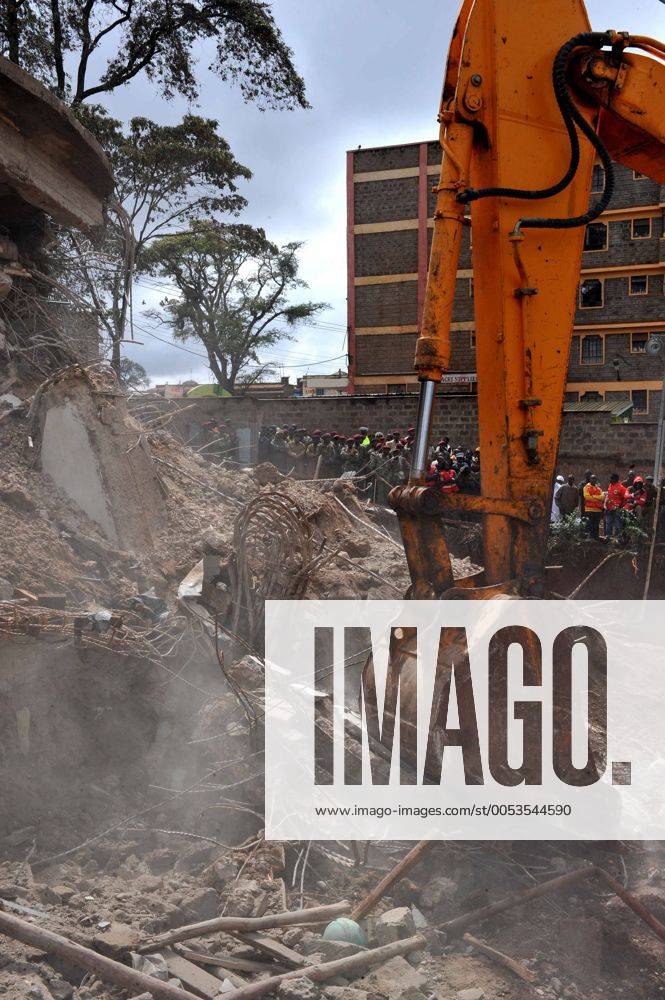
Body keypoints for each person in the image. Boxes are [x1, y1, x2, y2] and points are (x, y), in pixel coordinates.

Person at [604, 473, 627, 542]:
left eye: (611, 478)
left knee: (618, 524)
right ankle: (608, 537)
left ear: (615, 479)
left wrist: (619, 507)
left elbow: (625, 499)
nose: (609, 480)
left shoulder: (621, 488)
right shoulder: (610, 486)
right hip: (609, 509)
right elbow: (608, 496)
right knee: (608, 523)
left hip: (617, 510)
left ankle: (619, 539)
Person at [582, 475, 605, 539]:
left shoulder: (598, 488)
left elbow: (603, 497)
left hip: (598, 510)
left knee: (596, 525)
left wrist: (594, 496)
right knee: (590, 524)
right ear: (590, 479)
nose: (594, 480)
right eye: (592, 479)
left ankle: (596, 538)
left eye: (595, 479)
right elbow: (587, 497)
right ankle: (590, 538)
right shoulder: (586, 487)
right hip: (589, 509)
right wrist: (598, 498)